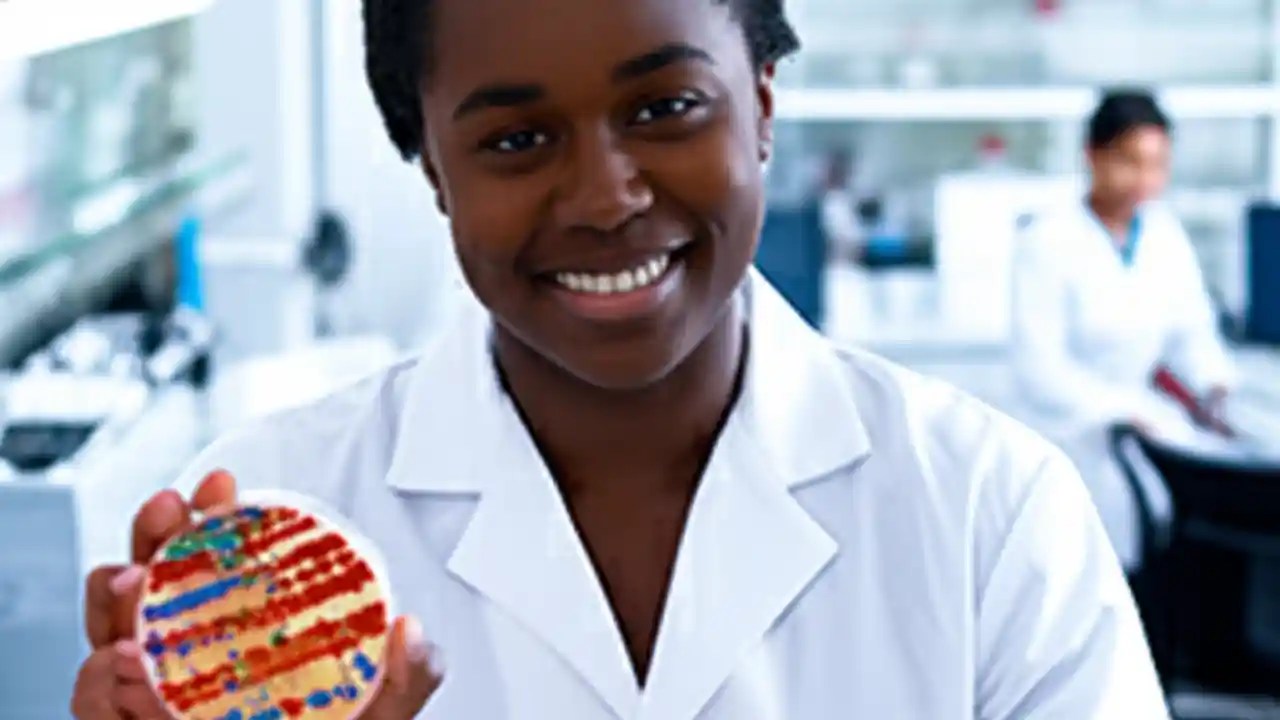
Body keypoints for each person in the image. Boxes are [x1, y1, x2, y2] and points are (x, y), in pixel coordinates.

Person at [73, 2, 1167, 718]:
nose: (605, 197)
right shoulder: (271, 540)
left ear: (764, 109)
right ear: (433, 171)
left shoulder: (989, 511)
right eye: (513, 139)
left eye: (666, 107)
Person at [1011, 90, 1235, 572]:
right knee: (1084, 570)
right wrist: (1129, 409)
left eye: (1158, 165)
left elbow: (1191, 330)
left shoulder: (1163, 234)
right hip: (1070, 433)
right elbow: (1040, 369)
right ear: (1092, 156)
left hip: (1149, 432)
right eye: (1129, 162)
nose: (1145, 179)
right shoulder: (1048, 240)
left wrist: (1213, 383)